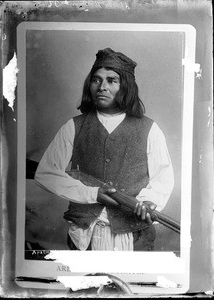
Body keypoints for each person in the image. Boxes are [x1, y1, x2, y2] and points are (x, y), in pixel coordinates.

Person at [35, 48, 174, 251]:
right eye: (96, 80)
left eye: (111, 80)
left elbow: (163, 177)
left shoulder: (150, 129)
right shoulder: (74, 126)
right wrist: (92, 194)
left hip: (133, 238)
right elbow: (46, 173)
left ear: (126, 86)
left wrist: (150, 201)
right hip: (85, 236)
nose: (102, 87)